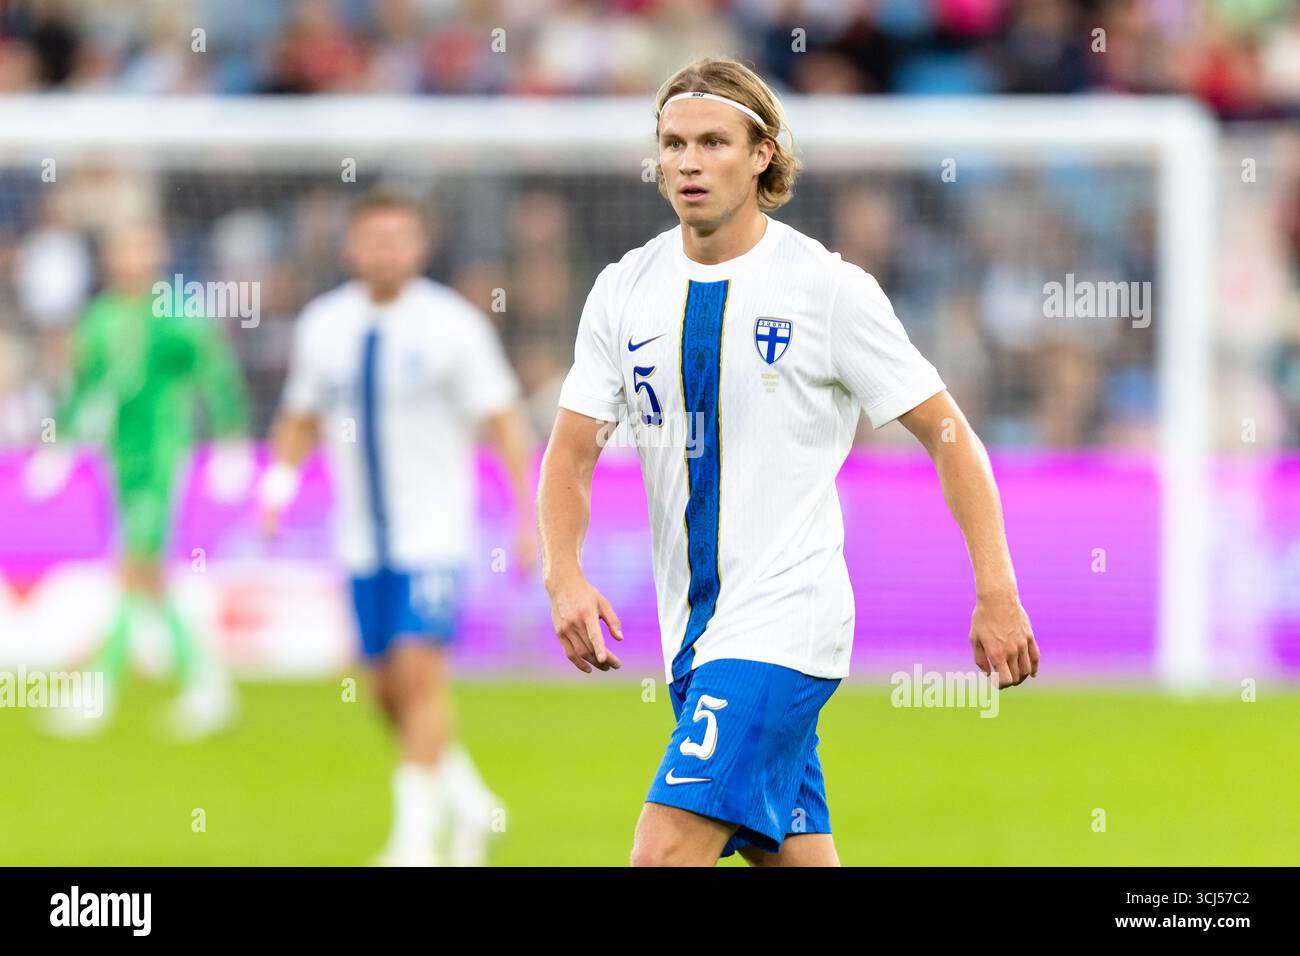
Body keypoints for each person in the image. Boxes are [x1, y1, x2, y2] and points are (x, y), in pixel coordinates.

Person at [537, 57, 1040, 867]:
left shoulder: (826, 290)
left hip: (784, 625)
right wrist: (564, 573)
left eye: (712, 142)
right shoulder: (623, 288)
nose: (689, 163)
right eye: (672, 144)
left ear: (762, 153)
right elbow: (570, 452)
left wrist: (997, 589)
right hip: (694, 637)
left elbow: (950, 435)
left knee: (661, 854)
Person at [262, 192, 535, 866]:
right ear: (351, 247)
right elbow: (302, 413)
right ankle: (472, 803)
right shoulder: (325, 325)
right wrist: (278, 483)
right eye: (374, 239)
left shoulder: (453, 326)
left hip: (433, 531)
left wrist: (528, 514)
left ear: (419, 246)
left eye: (400, 239)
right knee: (384, 689)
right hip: (362, 536)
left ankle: (414, 842)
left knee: (419, 673)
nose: (387, 252)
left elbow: (504, 420)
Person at [30, 219, 249, 740]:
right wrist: (58, 441)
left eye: (142, 248)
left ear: (158, 254)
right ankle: (209, 682)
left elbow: (215, 376)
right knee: (147, 575)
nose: (133, 259)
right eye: (123, 249)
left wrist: (230, 436)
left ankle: (99, 689)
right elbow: (85, 386)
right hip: (117, 460)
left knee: (134, 569)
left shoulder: (176, 313)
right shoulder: (101, 317)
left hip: (162, 456)